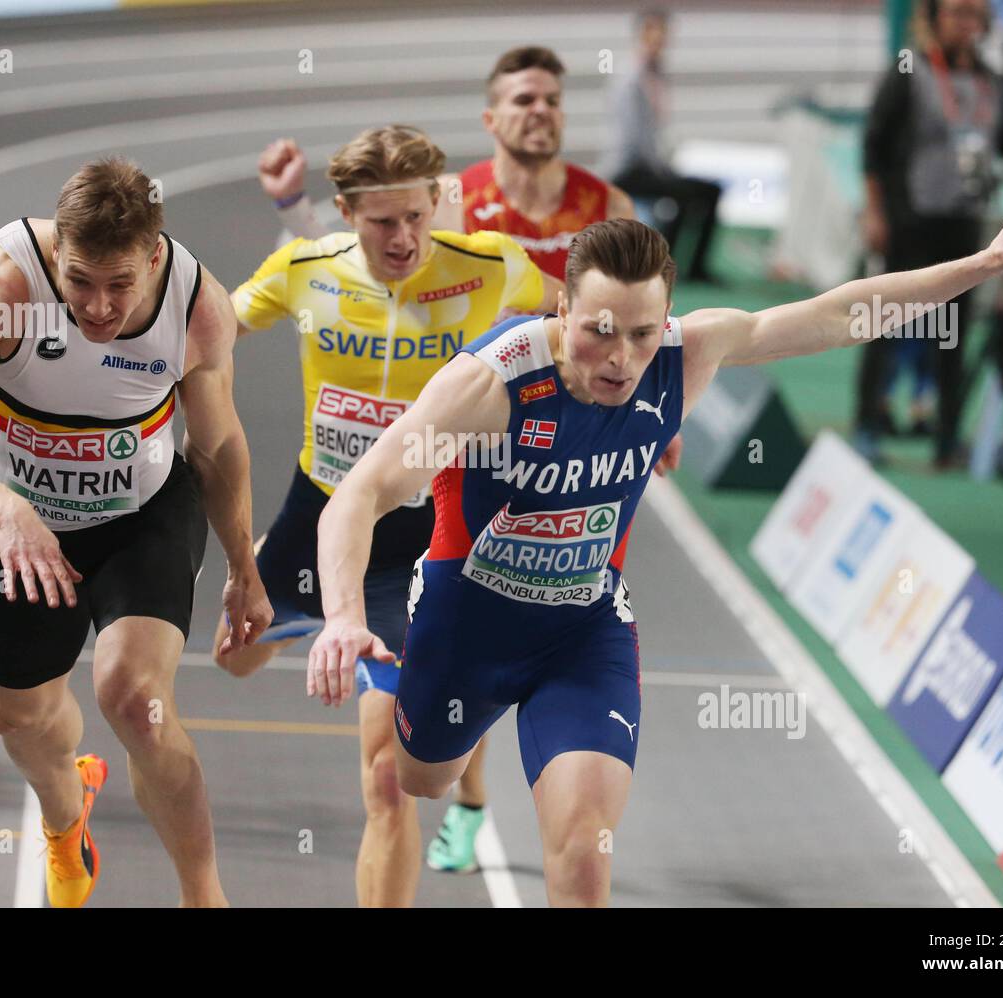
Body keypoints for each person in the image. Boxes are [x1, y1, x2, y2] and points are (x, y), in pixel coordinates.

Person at [308, 180, 1003, 906]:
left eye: (642, 334)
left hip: (582, 633)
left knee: (581, 852)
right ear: (562, 306)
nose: (620, 359)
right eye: (598, 331)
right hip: (464, 623)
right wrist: (343, 616)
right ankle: (456, 740)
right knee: (419, 782)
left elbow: (841, 315)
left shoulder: (687, 354)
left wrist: (983, 264)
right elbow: (360, 494)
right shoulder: (492, 381)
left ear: (668, 315)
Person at [254, 46, 681, 874]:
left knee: (541, 594)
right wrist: (296, 214)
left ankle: (487, 786)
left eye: (552, 99)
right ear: (494, 118)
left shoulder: (608, 205)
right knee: (463, 611)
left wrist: (660, 397)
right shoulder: (460, 201)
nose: (539, 113)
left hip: (579, 435)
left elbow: (649, 307)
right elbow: (381, 261)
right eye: (522, 99)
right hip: (470, 426)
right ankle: (466, 774)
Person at [0, 158, 272, 908]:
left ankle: (204, 897)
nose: (98, 306)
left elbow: (219, 446)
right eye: (78, 282)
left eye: (119, 284)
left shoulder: (198, 306)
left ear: (155, 255)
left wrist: (243, 564)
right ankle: (66, 813)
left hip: (143, 514)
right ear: (55, 253)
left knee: (136, 698)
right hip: (28, 525)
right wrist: (7, 510)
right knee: (17, 715)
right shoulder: (2, 284)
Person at [215, 125, 558, 905]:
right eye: (381, 222)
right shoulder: (304, 268)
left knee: (387, 774)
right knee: (233, 657)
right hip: (321, 514)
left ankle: (454, 732)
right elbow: (206, 334)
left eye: (416, 216)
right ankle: (328, 610)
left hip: (429, 532)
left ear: (438, 201)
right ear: (344, 212)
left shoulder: (490, 263)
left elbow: (571, 321)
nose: (404, 238)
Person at [858, 0, 1003, 468]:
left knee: (952, 334)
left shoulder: (992, 80)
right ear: (935, 17)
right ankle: (867, 426)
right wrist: (875, 213)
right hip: (909, 222)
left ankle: (946, 436)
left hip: (963, 223)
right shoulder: (908, 71)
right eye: (958, 13)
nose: (967, 25)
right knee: (885, 322)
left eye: (975, 15)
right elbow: (874, 145)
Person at [603, 10, 722, 284]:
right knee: (687, 194)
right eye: (653, 34)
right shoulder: (631, 78)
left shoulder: (654, 74)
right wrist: (664, 171)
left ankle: (679, 266)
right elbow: (635, 138)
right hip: (628, 168)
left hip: (648, 164)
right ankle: (666, 264)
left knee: (702, 192)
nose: (660, 41)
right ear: (642, 35)